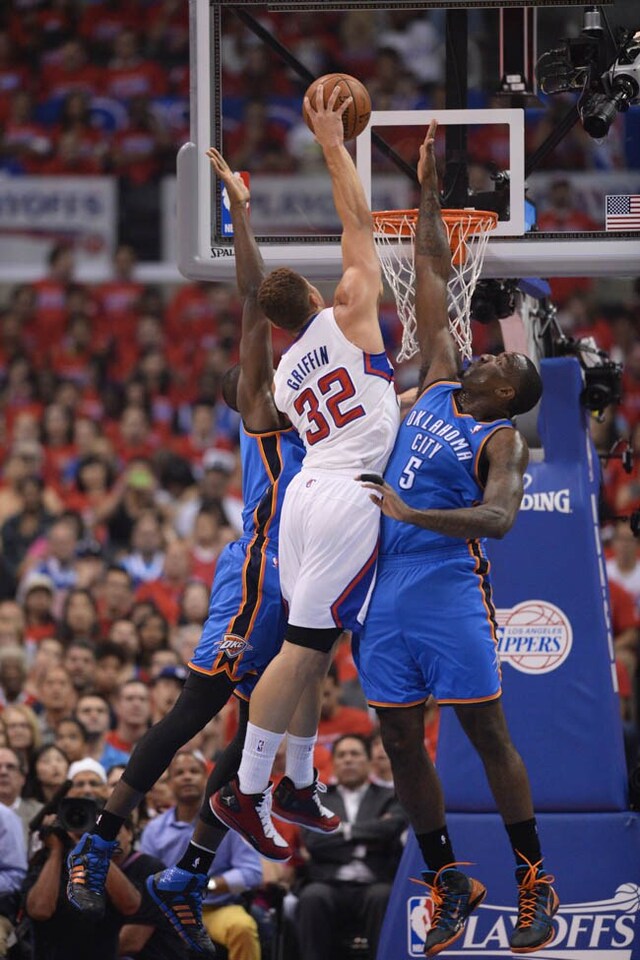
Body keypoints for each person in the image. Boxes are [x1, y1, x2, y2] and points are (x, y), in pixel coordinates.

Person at [65, 145, 305, 957]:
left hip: (309, 580)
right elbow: (251, 299)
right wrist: (241, 212)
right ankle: (101, 836)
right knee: (195, 711)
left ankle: (193, 866)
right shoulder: (265, 405)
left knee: (260, 731)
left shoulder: (331, 408)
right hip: (258, 573)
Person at [353, 121, 557, 956]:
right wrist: (431, 190)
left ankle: (533, 881)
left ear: (507, 386)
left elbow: (498, 520)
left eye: (491, 363)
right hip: (385, 593)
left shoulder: (498, 441)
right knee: (399, 740)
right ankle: (447, 880)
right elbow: (432, 273)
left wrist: (413, 516)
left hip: (446, 584)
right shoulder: (437, 377)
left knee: (486, 735)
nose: (476, 355)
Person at [211, 82, 399, 862]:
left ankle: (292, 781)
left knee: (313, 647)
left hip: (307, 489)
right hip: (345, 496)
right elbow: (358, 222)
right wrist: (334, 142)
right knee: (302, 648)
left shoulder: (287, 371)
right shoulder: (352, 307)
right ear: (321, 298)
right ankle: (248, 789)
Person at [140, 751, 263, 960]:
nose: (187, 776)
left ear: (207, 779)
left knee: (243, 928)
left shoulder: (227, 822)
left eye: (194, 771)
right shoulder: (154, 830)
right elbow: (145, 876)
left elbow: (252, 873)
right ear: (169, 783)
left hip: (217, 908)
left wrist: (207, 885)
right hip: (170, 913)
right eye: (179, 773)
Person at [294, 734, 407, 960]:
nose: (348, 760)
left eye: (355, 754)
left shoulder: (390, 797)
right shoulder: (317, 800)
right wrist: (369, 835)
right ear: (334, 763)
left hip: (375, 881)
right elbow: (314, 841)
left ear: (369, 761)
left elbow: (391, 829)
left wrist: (342, 831)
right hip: (328, 882)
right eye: (342, 755)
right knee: (312, 897)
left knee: (383, 896)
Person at [23, 758, 142, 960]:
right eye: (79, 784)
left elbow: (130, 904)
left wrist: (94, 845)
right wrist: (55, 851)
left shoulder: (114, 835)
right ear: (67, 793)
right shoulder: (51, 841)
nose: (87, 790)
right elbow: (39, 910)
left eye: (94, 783)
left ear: (106, 791)